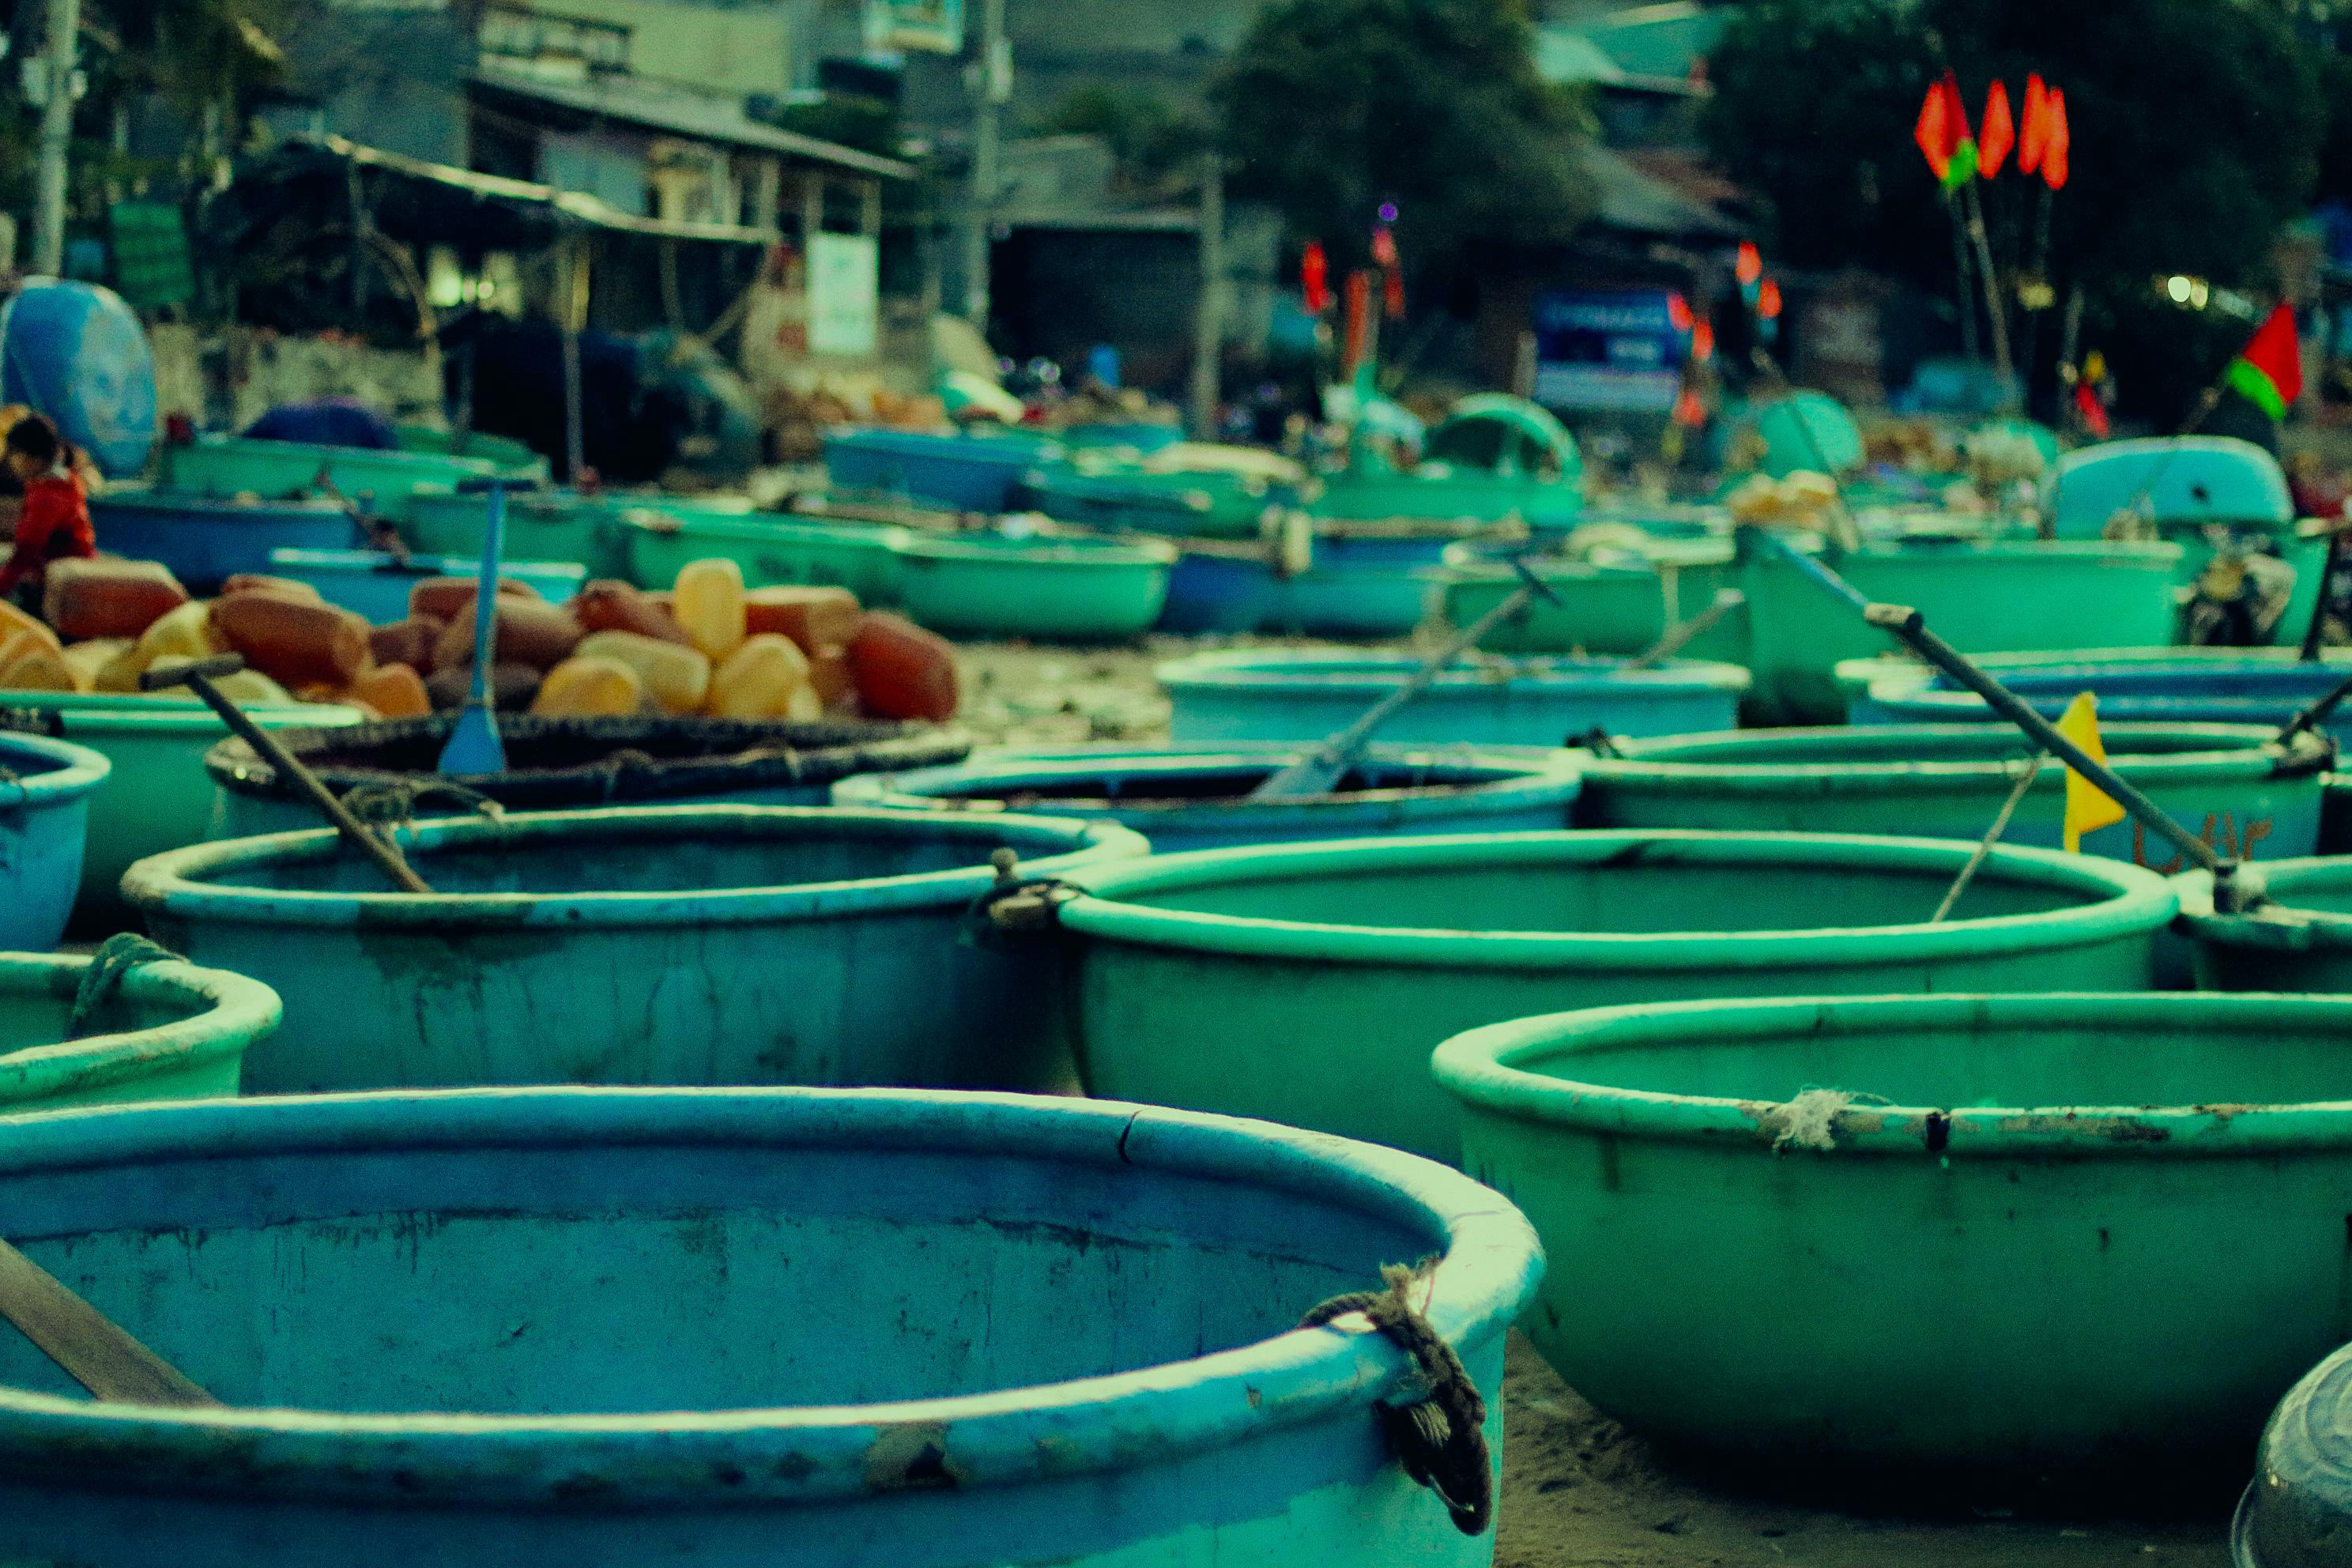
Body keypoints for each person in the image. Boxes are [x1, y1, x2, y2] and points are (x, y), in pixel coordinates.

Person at [0, 413, 96, 609]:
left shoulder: (48, 496)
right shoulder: (59, 480)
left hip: (55, 563)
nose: (11, 462)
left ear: (34, 459)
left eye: (14, 454)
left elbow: (27, 550)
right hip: (60, 556)